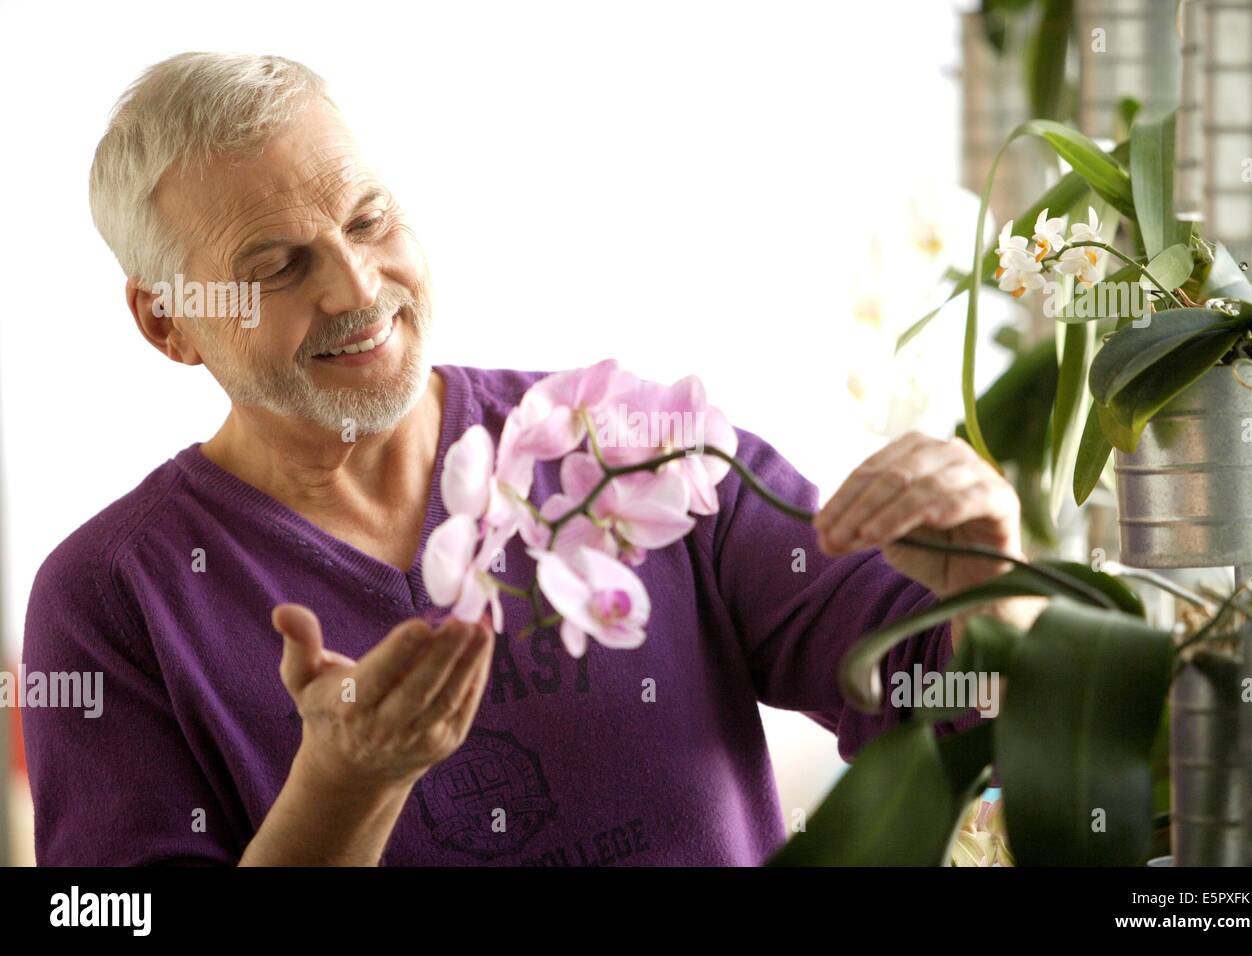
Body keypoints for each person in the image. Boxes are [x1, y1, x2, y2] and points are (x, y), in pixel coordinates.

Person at [22, 53, 1041, 866]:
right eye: (279, 265)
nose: (356, 286)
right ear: (169, 322)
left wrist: (988, 586)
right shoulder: (110, 598)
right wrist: (343, 790)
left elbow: (961, 721)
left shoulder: (632, 442)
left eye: (370, 219)